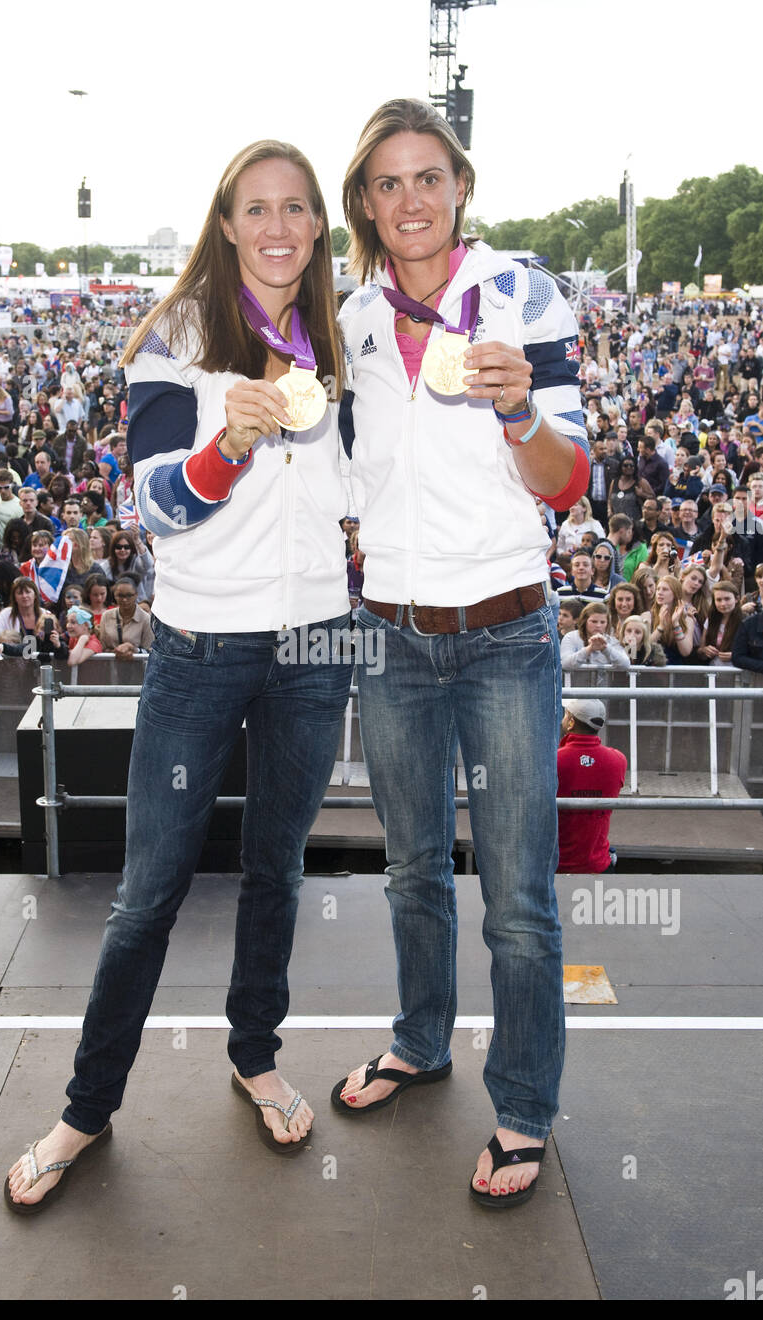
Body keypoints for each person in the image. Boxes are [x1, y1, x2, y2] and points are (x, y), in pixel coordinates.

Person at [6, 138, 351, 1210]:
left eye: (296, 208)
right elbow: (152, 507)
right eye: (258, 208)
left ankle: (255, 1055)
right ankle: (85, 1108)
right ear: (227, 219)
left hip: (314, 645)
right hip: (201, 645)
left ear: (316, 227)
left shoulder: (335, 337)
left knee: (278, 869)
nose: (279, 227)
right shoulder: (174, 338)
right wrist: (225, 446)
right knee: (148, 891)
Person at [331, 98, 590, 1209]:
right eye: (387, 184)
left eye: (426, 177)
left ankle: (523, 1104)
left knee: (519, 898)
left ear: (461, 186)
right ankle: (420, 1041)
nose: (409, 201)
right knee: (407, 871)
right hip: (390, 631)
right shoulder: (346, 319)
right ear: (368, 204)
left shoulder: (525, 293)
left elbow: (568, 482)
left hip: (505, 632)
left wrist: (522, 411)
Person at [556, 699, 626, 874]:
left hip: (556, 866)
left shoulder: (553, 761)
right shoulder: (618, 760)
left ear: (571, 722)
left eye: (565, 716)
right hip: (598, 865)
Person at [560, 601, 631, 674]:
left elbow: (625, 665)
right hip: (576, 684)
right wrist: (589, 649)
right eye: (594, 621)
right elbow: (564, 663)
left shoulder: (612, 641)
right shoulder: (571, 637)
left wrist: (606, 648)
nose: (598, 625)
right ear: (585, 621)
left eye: (602, 622)